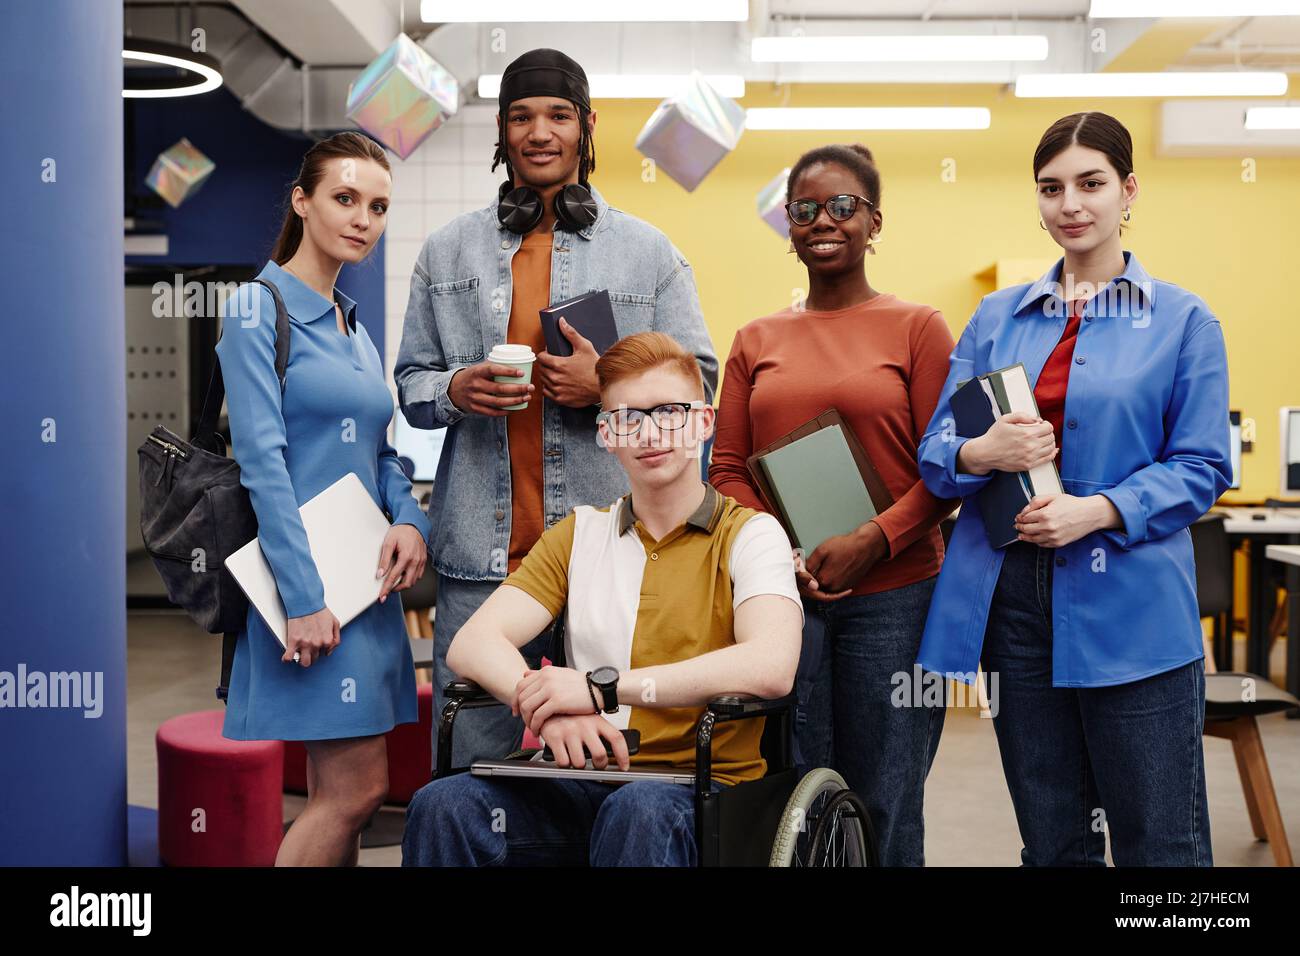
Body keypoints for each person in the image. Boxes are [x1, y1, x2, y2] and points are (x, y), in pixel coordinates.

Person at [916, 112, 1231, 866]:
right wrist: (982, 451)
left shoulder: (1184, 321)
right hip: (1013, 603)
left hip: (1132, 602)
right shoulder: (995, 317)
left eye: (1091, 184)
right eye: (1051, 188)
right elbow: (936, 451)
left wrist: (1097, 510)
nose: (1071, 204)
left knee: (1162, 843)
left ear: (1128, 191)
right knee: (1054, 841)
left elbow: (1203, 465)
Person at [395, 48, 716, 767]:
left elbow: (702, 382)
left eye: (559, 116)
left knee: (611, 764)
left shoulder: (649, 254)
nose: (540, 132)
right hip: (481, 561)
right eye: (521, 117)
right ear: (502, 131)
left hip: (609, 557)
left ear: (586, 127)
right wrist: (454, 390)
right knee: (471, 766)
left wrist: (607, 385)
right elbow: (411, 384)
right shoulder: (446, 254)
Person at [401, 332, 801, 866]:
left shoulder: (752, 534)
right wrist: (549, 714)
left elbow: (772, 664)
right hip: (581, 778)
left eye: (670, 412)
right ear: (607, 435)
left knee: (637, 810)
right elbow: (473, 643)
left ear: (704, 423)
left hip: (701, 789)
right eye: (628, 418)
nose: (650, 433)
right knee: (443, 806)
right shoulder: (579, 533)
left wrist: (598, 691)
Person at [708, 144, 956, 866]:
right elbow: (726, 469)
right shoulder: (755, 339)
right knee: (794, 798)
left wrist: (871, 541)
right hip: (784, 600)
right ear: (787, 225)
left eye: (843, 206)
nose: (824, 220)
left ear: (874, 221)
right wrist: (780, 555)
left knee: (886, 798)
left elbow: (947, 471)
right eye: (805, 209)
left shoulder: (919, 327)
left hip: (898, 599)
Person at [218, 132, 432, 866]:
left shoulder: (353, 325)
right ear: (302, 201)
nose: (363, 219)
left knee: (335, 795)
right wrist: (304, 598)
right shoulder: (256, 309)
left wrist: (410, 518)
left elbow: (381, 453)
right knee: (356, 792)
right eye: (345, 198)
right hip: (309, 591)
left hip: (366, 588)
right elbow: (262, 466)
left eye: (378, 206)